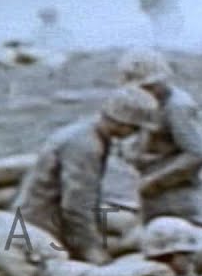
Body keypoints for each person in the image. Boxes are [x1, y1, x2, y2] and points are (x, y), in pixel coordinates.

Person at [13, 86, 158, 264]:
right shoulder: (85, 147)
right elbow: (76, 206)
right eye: (135, 129)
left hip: (50, 219)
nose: (135, 134)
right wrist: (91, 250)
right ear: (122, 123)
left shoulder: (91, 134)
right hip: (39, 225)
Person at [116, 48, 202, 223]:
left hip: (178, 196)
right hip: (151, 193)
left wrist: (153, 181)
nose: (145, 92)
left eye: (149, 87)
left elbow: (198, 155)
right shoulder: (147, 104)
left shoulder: (178, 107)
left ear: (162, 80)